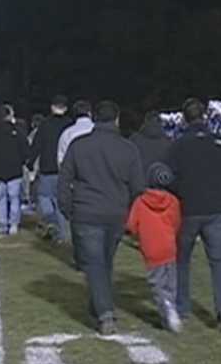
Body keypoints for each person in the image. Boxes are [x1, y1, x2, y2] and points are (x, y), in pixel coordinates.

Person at [58, 100, 145, 335]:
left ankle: (103, 311)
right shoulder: (128, 148)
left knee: (96, 263)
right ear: (116, 120)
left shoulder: (79, 145)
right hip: (116, 213)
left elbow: (64, 179)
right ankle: (101, 309)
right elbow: (138, 186)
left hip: (86, 211)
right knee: (103, 262)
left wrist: (67, 209)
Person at [168, 97, 221, 333]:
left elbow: (167, 178)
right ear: (205, 117)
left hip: (188, 209)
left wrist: (181, 193)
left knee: (181, 260)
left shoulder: (178, 145)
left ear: (184, 119)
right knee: (220, 261)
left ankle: (182, 307)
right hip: (216, 210)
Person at [125, 161, 183, 333]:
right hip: (169, 246)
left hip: (151, 247)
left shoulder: (140, 202)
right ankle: (171, 306)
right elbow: (176, 222)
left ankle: (166, 308)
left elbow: (131, 226)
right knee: (170, 280)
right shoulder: (173, 201)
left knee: (157, 283)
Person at [29, 95, 72, 241]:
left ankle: (51, 221)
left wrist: (30, 163)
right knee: (61, 201)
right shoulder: (69, 125)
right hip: (65, 169)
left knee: (44, 197)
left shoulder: (45, 124)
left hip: (47, 167)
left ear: (52, 107)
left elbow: (37, 145)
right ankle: (62, 233)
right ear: (65, 108)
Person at [0, 104, 31, 235]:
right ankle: (13, 224)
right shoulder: (19, 132)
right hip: (15, 170)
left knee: (0, 198)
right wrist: (22, 162)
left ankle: (2, 224)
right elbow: (25, 150)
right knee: (14, 198)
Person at [55, 99, 94, 246]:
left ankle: (70, 238)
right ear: (89, 113)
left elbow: (61, 160)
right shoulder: (96, 130)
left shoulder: (67, 133)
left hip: (75, 180)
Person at [129, 110, 173, 174]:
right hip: (162, 177)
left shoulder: (134, 139)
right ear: (160, 122)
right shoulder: (168, 142)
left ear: (145, 121)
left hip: (141, 177)